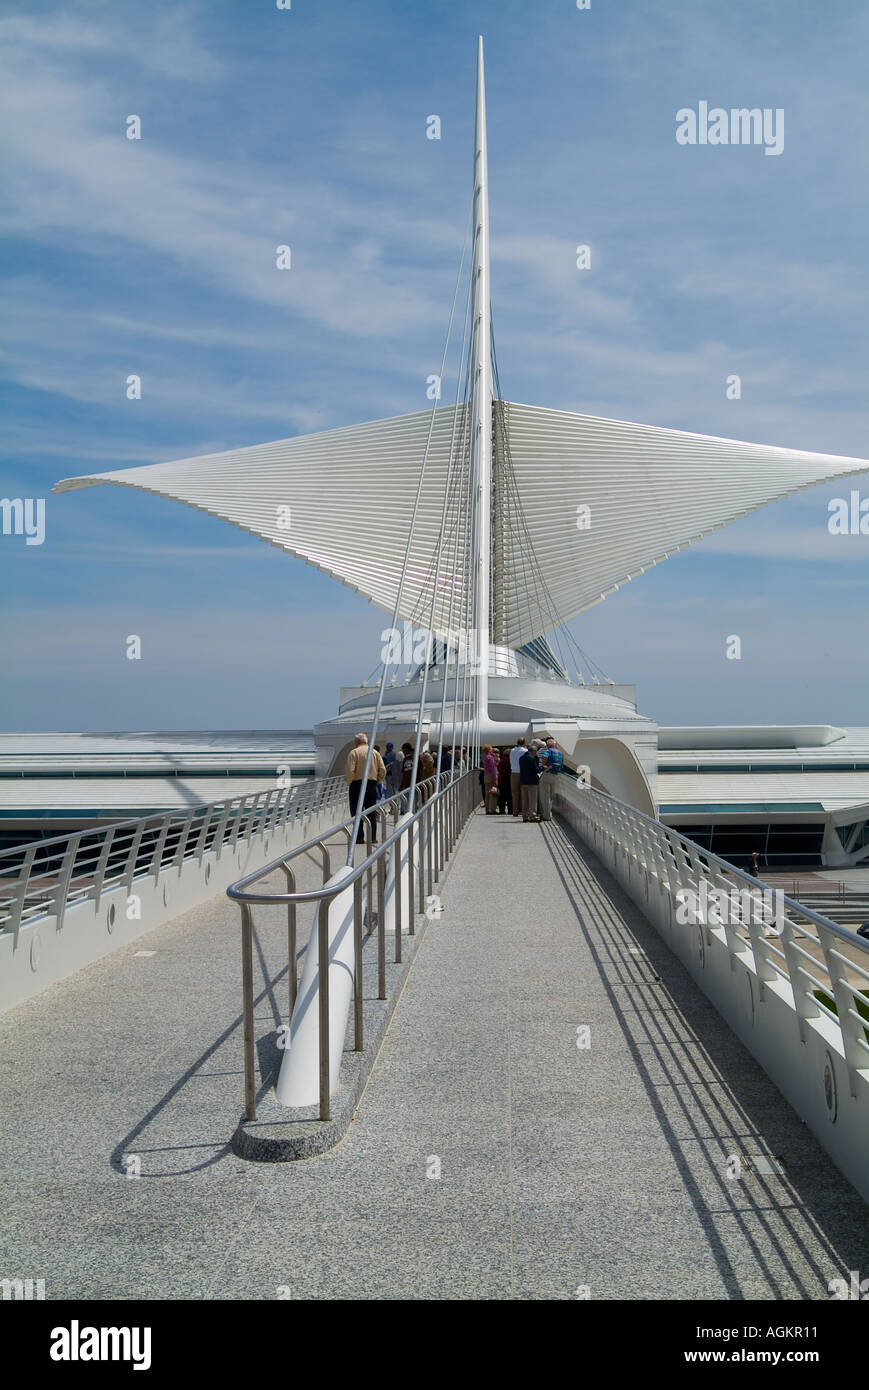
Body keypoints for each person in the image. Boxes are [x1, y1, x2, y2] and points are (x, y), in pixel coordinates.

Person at [345, 733, 386, 844]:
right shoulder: (375, 752)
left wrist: (350, 782)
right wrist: (378, 780)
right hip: (371, 784)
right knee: (371, 811)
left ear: (357, 742)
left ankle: (359, 837)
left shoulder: (354, 752)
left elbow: (350, 770)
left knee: (356, 812)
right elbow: (382, 770)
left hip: (357, 784)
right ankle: (372, 837)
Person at [537, 736, 564, 821]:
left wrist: (544, 764)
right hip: (556, 775)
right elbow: (562, 764)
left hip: (547, 774)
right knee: (551, 796)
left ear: (548, 745)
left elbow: (544, 760)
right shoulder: (560, 753)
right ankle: (549, 813)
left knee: (545, 796)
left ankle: (546, 815)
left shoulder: (548, 751)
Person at [519, 740, 542, 822]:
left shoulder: (521, 758)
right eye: (535, 752)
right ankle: (532, 816)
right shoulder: (531, 758)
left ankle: (524, 816)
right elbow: (536, 770)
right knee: (532, 800)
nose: (536, 753)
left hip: (523, 781)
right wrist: (543, 768)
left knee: (525, 800)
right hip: (532, 782)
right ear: (532, 751)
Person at [509, 737, 527, 817]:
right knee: (523, 793)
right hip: (523, 773)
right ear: (524, 743)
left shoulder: (512, 751)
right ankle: (523, 811)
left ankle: (515, 811)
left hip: (514, 772)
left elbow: (511, 761)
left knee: (515, 793)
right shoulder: (525, 751)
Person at [482, 744, 499, 813]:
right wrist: (495, 778)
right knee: (493, 793)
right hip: (491, 776)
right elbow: (493, 769)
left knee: (487, 793)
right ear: (489, 749)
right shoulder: (490, 757)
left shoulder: (484, 757)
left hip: (486, 776)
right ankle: (492, 809)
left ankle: (487, 809)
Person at [497, 747, 512, 814]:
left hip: (501, 780)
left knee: (501, 797)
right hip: (509, 780)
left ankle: (502, 810)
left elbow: (498, 769)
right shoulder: (511, 760)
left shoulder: (501, 761)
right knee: (509, 797)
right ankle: (510, 810)